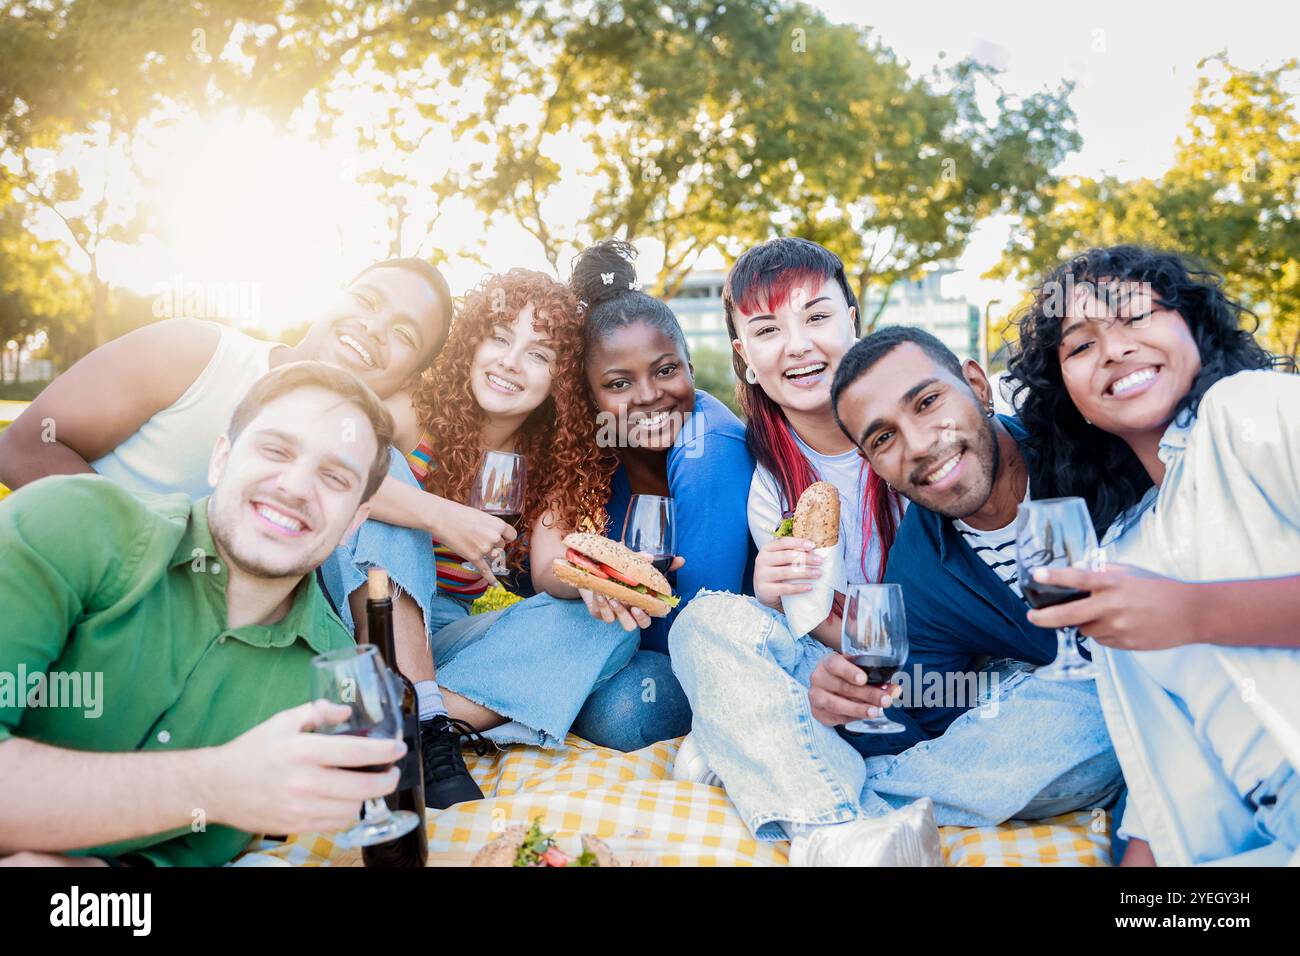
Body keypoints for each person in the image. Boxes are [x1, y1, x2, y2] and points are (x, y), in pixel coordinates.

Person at [669, 321, 1123, 863]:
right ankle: (827, 811)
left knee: (1099, 708)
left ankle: (784, 772)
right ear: (872, 463)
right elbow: (920, 712)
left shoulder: (1094, 451)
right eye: (883, 438)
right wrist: (844, 699)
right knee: (706, 622)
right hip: (997, 708)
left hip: (1119, 694)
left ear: (977, 385)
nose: (921, 444)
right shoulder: (920, 560)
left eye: (929, 402)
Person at [0, 361, 407, 867]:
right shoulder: (71, 522)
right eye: (275, 449)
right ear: (221, 460)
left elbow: (183, 856)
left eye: (334, 477)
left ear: (354, 522)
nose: (297, 487)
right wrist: (221, 781)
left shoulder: (327, 678)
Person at [1007, 245, 1300, 865]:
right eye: (1081, 345)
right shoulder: (1121, 548)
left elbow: (1193, 615)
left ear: (1192, 326)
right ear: (1068, 396)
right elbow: (1170, 774)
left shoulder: (1251, 410)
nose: (1112, 348)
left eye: (1135, 315)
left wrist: (1196, 612)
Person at [0, 258, 518, 602]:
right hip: (71, 581)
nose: (374, 329)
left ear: (406, 378)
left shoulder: (346, 463)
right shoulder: (197, 352)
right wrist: (160, 554)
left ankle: (418, 706)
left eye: (404, 334)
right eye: (367, 301)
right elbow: (23, 447)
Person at [319, 268, 639, 805]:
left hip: (443, 639)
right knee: (383, 467)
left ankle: (411, 717)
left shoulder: (549, 463)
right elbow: (334, 474)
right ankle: (424, 725)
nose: (511, 361)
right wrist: (439, 515)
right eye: (499, 337)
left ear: (559, 379)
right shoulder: (411, 413)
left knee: (612, 627)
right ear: (472, 343)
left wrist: (593, 578)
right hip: (353, 614)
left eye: (538, 354)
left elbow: (547, 571)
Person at [552, 239, 754, 751]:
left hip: (713, 662)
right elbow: (549, 576)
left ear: (689, 365)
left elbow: (704, 621)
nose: (648, 395)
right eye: (619, 383)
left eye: (666, 370)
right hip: (626, 643)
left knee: (627, 712)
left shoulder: (709, 446)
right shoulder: (594, 446)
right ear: (589, 395)